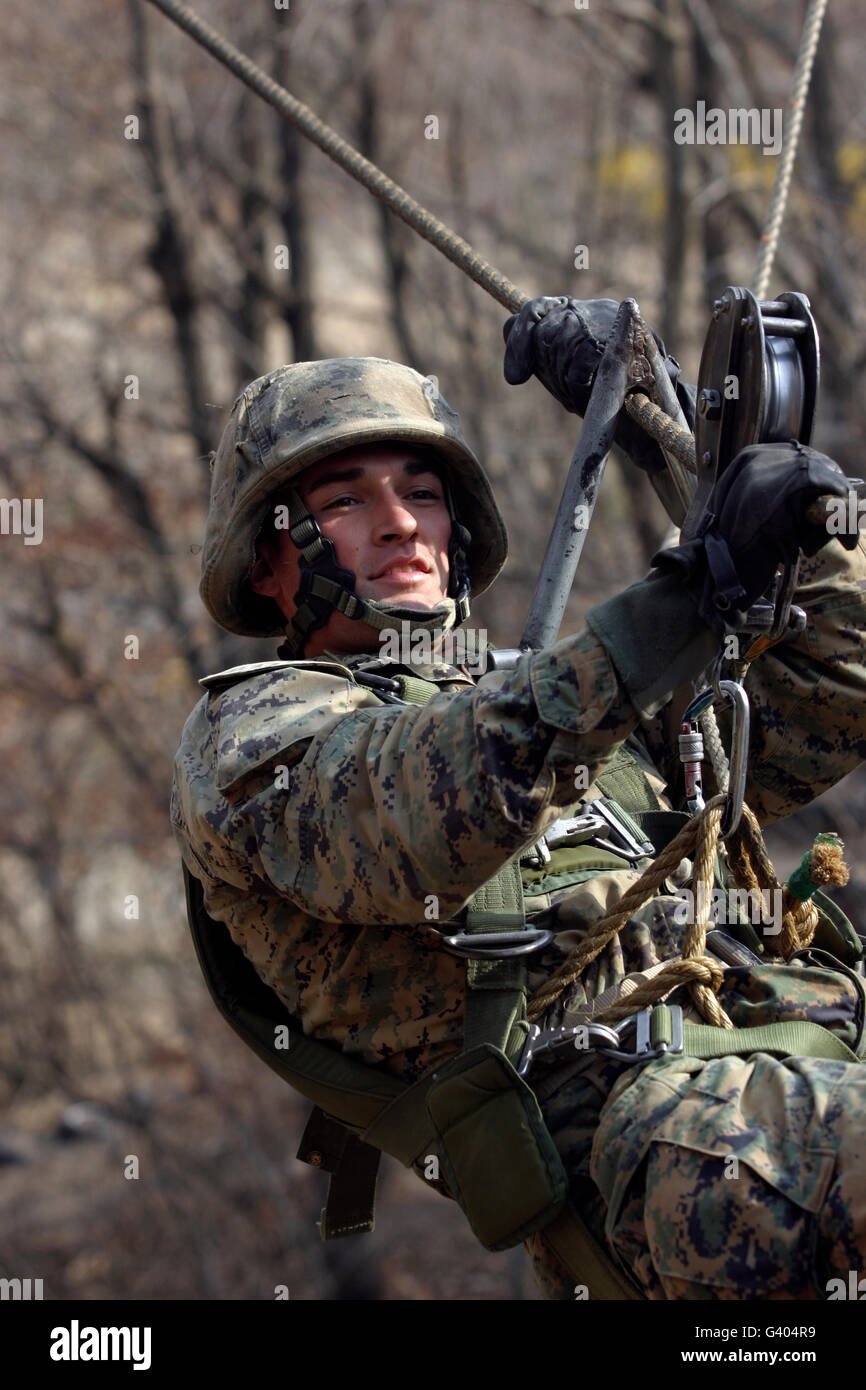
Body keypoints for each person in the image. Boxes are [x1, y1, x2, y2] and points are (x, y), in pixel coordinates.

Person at [172, 300, 866, 1300]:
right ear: (268, 557)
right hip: (659, 1144)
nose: (401, 521)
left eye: (421, 491)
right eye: (344, 502)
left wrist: (679, 428)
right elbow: (427, 805)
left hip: (807, 1059)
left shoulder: (568, 697)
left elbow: (836, 680)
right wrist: (679, 593)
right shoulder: (252, 738)